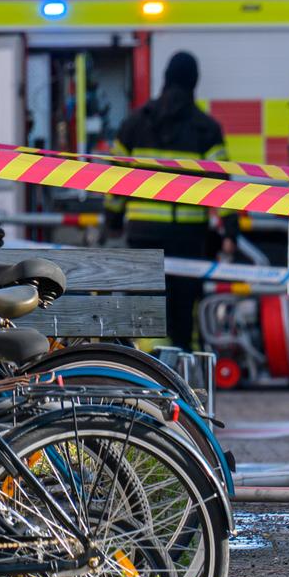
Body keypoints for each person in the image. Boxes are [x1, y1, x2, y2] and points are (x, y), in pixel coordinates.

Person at [105, 51, 238, 352]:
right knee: (183, 316)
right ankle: (183, 380)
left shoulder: (134, 125)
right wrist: (230, 232)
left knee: (147, 312)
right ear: (194, 82)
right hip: (188, 238)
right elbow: (222, 189)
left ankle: (151, 378)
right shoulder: (206, 129)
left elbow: (114, 183)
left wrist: (112, 220)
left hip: (143, 236)